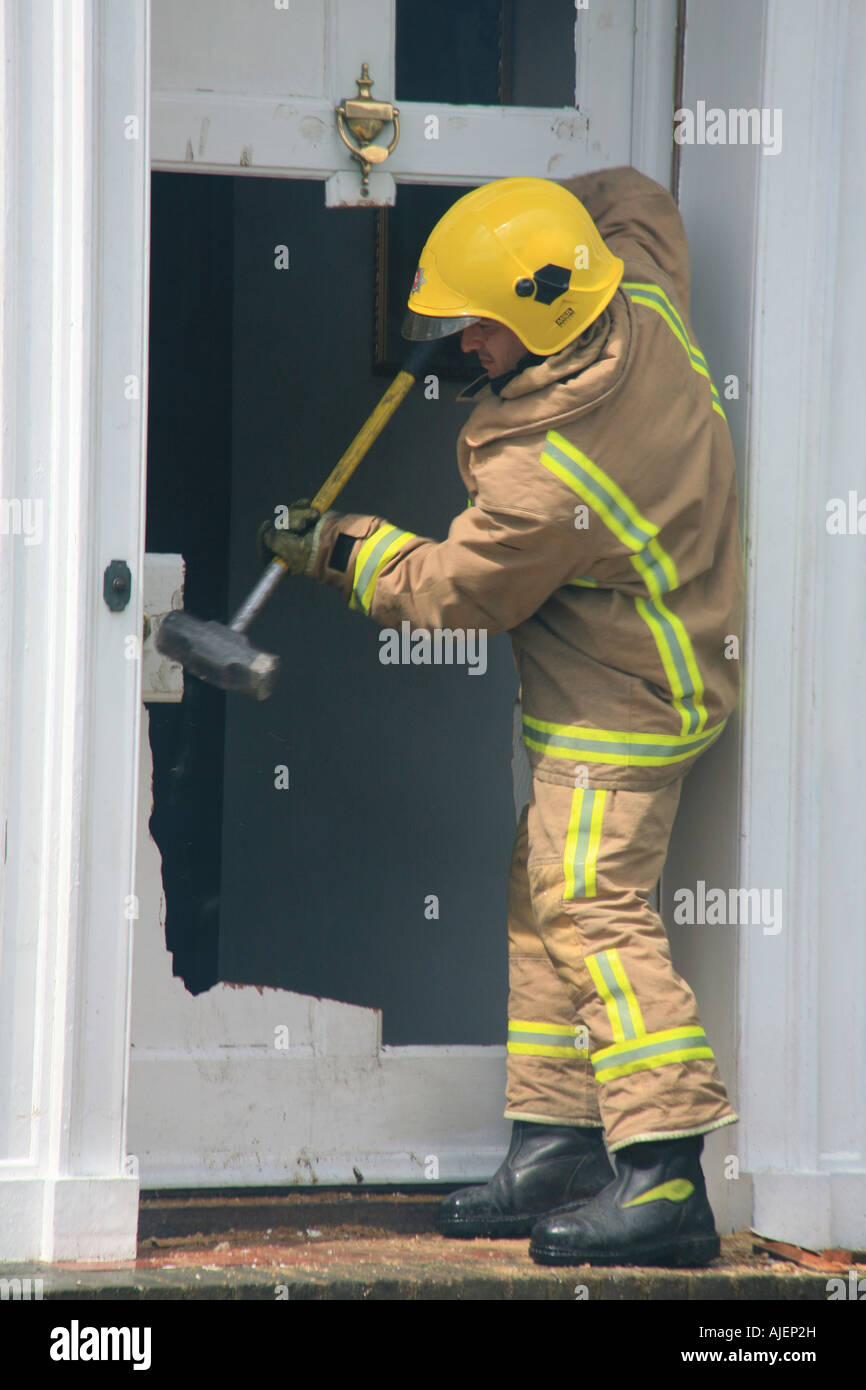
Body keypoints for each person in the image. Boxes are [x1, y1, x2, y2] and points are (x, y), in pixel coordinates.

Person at [260, 168, 743, 1268]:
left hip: (626, 704)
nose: (464, 346)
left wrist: (335, 543)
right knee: (541, 894)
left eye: (475, 329)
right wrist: (509, 232)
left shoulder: (547, 469)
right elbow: (633, 196)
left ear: (534, 318)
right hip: (660, 652)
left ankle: (663, 1176)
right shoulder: (638, 292)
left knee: (591, 911)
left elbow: (450, 592)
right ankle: (557, 1142)